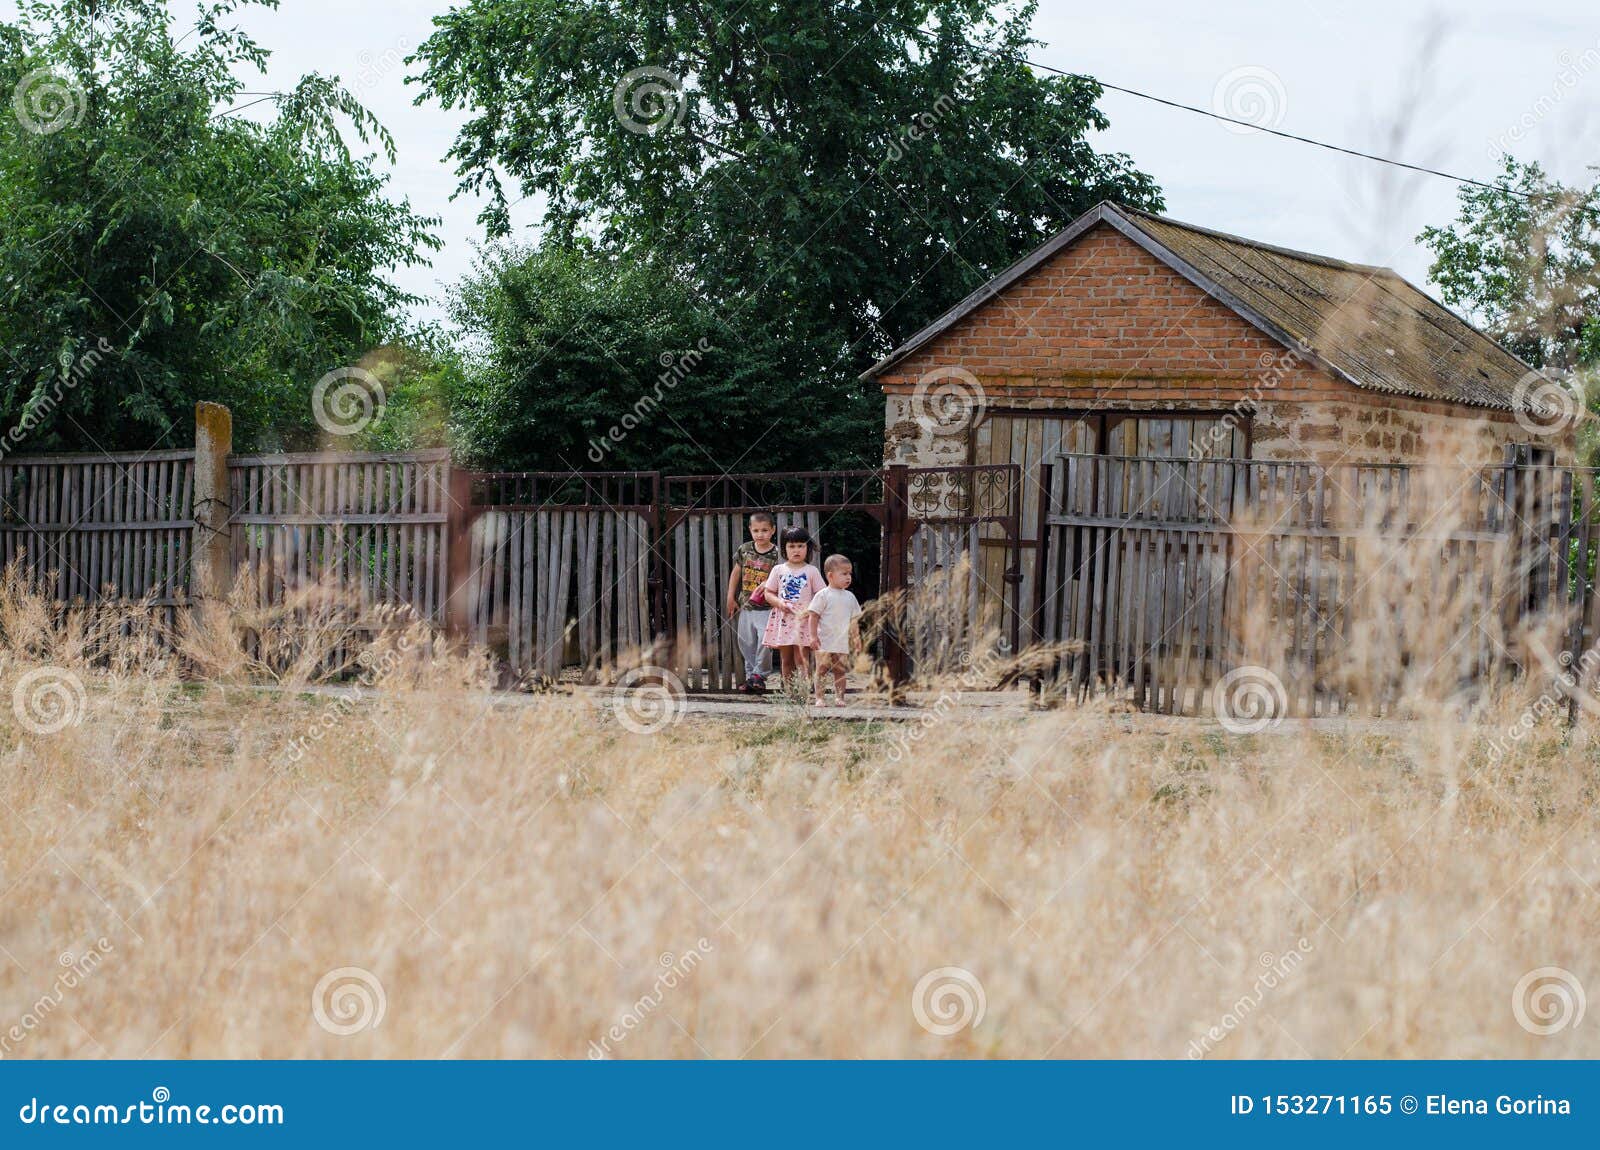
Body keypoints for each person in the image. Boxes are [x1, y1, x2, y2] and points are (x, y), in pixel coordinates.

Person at [761, 525, 824, 692]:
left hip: (804, 621)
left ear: (807, 548)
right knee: (786, 659)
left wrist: (811, 609)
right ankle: (789, 693)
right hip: (784, 620)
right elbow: (768, 593)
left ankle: (804, 692)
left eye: (801, 546)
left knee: (802, 658)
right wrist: (779, 603)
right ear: (784, 549)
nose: (796, 550)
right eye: (792, 546)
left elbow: (822, 595)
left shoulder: (811, 571)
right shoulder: (778, 570)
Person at [725, 511, 780, 693]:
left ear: (773, 530)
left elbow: (781, 576)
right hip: (746, 605)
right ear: (750, 530)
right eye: (756, 530)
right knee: (746, 642)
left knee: (765, 642)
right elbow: (736, 573)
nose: (760, 534)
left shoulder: (777, 554)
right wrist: (730, 597)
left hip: (767, 606)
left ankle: (760, 675)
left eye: (764, 530)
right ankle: (752, 678)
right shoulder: (745, 549)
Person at [803, 554, 863, 707]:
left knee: (840, 670)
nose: (848, 577)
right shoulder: (823, 595)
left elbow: (854, 620)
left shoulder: (850, 597)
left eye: (850, 573)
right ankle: (819, 697)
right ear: (830, 575)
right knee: (821, 669)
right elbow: (813, 616)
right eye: (844, 573)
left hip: (842, 641)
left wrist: (856, 638)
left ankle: (840, 697)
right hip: (824, 640)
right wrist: (813, 636)